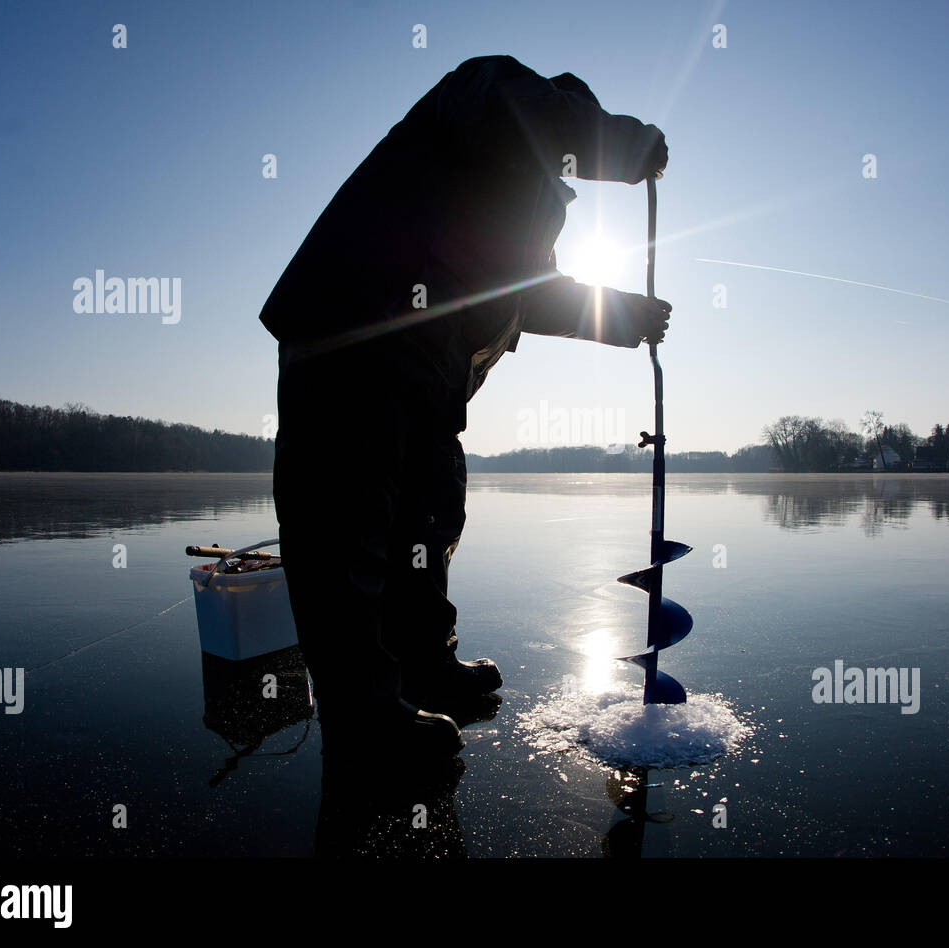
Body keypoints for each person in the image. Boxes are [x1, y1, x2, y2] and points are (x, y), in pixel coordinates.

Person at [261, 55, 671, 761]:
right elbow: (534, 117)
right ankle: (363, 719)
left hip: (428, 373)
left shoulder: (516, 197)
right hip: (355, 331)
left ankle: (423, 664)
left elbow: (526, 290)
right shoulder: (487, 93)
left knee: (430, 512)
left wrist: (624, 317)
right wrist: (630, 145)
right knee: (348, 528)